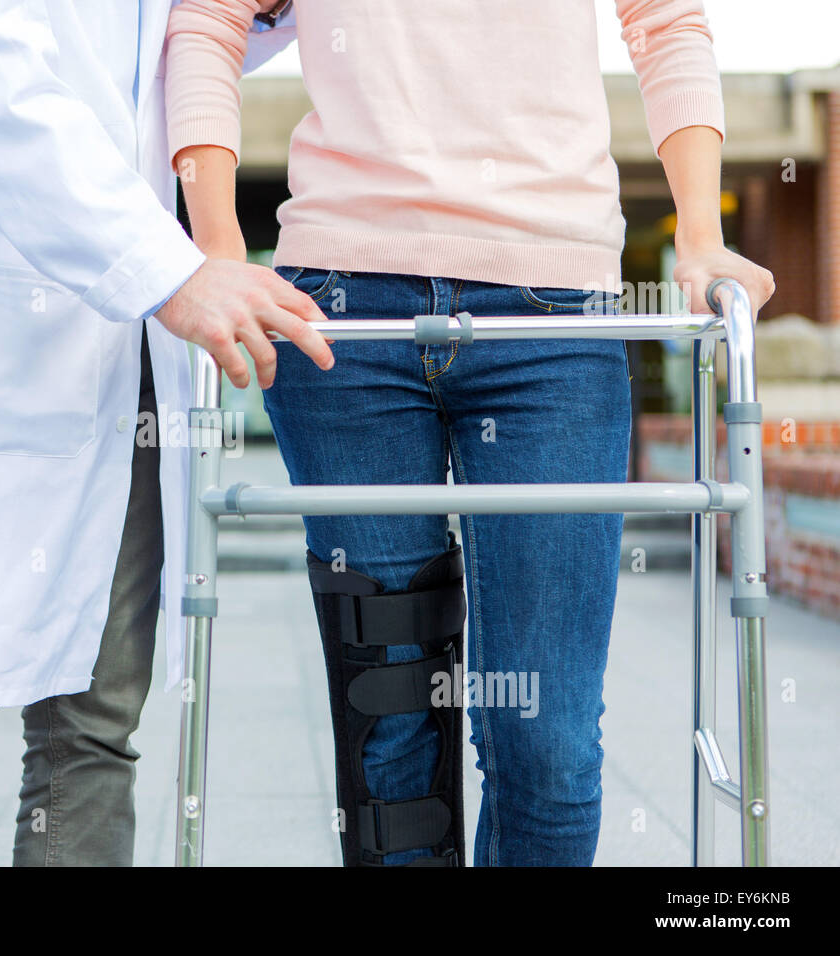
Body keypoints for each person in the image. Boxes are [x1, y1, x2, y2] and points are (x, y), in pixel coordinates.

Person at [165, 0, 774, 866]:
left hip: (554, 319)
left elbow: (668, 20)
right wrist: (219, 245)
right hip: (347, 310)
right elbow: (211, 18)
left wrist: (703, 239)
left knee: (547, 744)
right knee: (390, 727)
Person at [0, 0, 334, 867]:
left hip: (122, 355)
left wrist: (267, 9)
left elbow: (157, 69)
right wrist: (169, 272)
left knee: (94, 729)